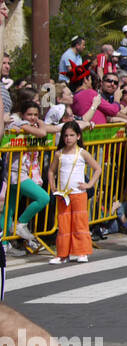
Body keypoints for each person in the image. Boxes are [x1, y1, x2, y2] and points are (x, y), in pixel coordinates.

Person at [4, 102, 56, 249]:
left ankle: (4, 243)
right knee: (43, 197)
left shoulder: (32, 126)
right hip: (16, 173)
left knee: (9, 209)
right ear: (22, 114)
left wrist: (84, 124)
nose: (33, 118)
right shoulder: (20, 123)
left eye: (36, 115)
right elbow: (42, 133)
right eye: (30, 114)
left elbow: (56, 128)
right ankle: (21, 224)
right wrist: (41, 123)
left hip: (22, 172)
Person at [47, 122, 100, 265]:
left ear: (78, 136)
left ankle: (82, 251)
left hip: (78, 194)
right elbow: (51, 171)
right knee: (63, 224)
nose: (68, 138)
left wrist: (89, 185)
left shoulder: (82, 152)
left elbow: (97, 169)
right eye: (65, 136)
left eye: (71, 135)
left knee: (80, 223)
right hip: (63, 195)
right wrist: (53, 188)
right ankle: (62, 254)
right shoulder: (59, 154)